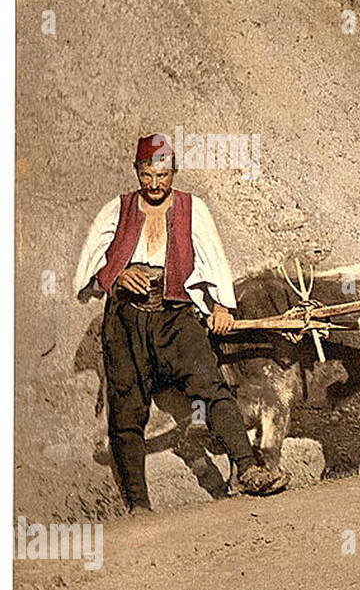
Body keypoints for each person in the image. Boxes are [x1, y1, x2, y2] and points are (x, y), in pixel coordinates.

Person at [74, 133, 288, 511]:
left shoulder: (193, 209)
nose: (155, 184)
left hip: (175, 316)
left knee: (212, 387)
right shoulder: (117, 210)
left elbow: (214, 259)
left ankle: (248, 470)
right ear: (136, 171)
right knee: (126, 409)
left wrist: (221, 307)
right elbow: (90, 262)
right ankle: (138, 505)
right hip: (125, 322)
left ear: (173, 171)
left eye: (163, 175)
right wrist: (117, 274)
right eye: (147, 175)